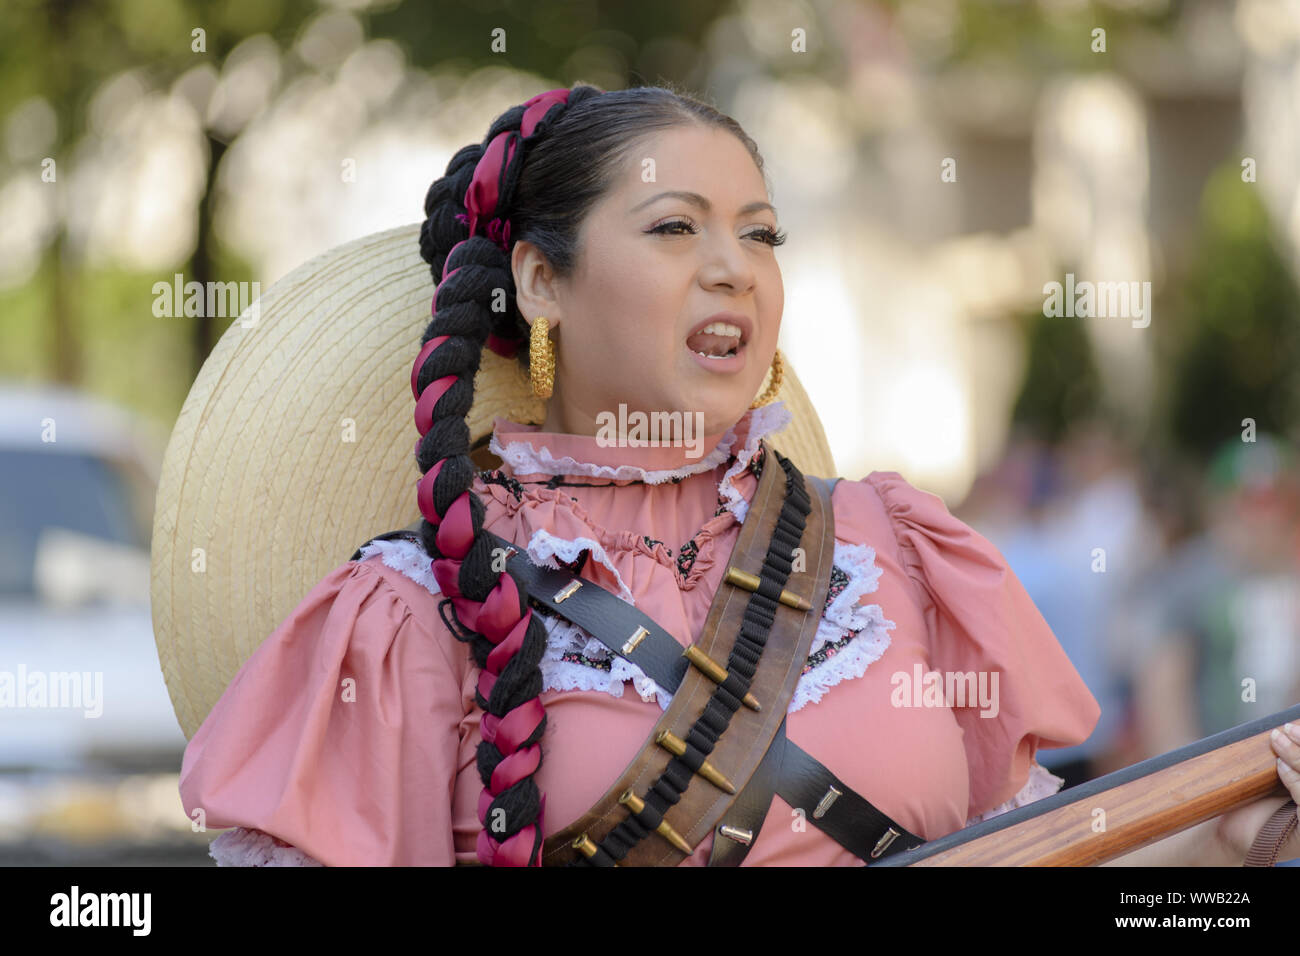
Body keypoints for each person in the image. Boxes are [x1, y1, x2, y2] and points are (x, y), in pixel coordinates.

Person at [176, 83, 1300, 867]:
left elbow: (1050, 854)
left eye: (760, 234)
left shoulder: (888, 550)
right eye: (675, 227)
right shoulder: (411, 610)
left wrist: (1234, 839)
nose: (733, 269)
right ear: (540, 279)